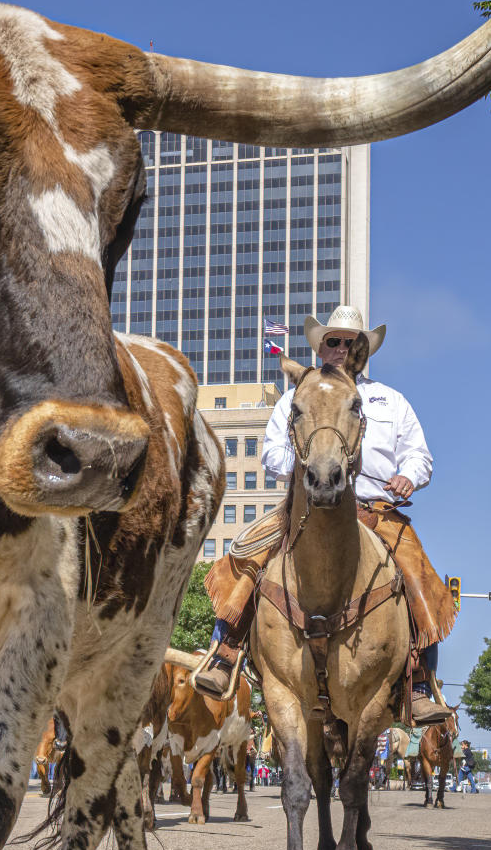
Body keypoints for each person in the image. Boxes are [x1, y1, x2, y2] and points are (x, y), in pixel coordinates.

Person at [195, 306, 456, 725]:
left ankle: (421, 684)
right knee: (246, 557)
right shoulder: (296, 396)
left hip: (374, 509)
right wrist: (309, 465)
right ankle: (224, 653)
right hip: (306, 506)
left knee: (418, 576)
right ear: (320, 346)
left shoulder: (391, 400)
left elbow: (418, 454)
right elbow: (272, 453)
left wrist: (408, 476)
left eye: (349, 342)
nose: (340, 348)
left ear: (362, 350)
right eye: (332, 341)